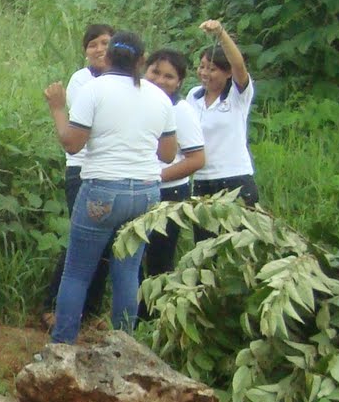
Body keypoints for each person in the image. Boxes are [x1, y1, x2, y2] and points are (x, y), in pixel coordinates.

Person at [43, 31, 178, 344]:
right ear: (142, 61)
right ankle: (125, 346)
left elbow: (72, 144)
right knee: (128, 272)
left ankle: (62, 345)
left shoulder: (94, 90)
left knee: (77, 271)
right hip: (146, 191)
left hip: (102, 190)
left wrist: (57, 108)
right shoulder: (159, 96)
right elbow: (168, 154)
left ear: (109, 57)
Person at [43, 24, 115, 324]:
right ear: (85, 51)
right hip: (83, 169)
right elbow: (82, 126)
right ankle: (53, 307)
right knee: (83, 239)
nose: (99, 49)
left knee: (108, 244)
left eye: (106, 43)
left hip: (110, 171)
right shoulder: (81, 80)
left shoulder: (122, 81)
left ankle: (90, 310)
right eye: (93, 45)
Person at [142, 49, 206, 284]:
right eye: (155, 72)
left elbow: (197, 159)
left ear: (179, 82)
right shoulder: (138, 103)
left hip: (169, 194)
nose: (159, 80)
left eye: (168, 77)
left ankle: (153, 317)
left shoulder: (181, 111)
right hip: (139, 190)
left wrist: (155, 177)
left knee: (159, 263)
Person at [189, 19, 260, 208]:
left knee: (238, 236)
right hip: (202, 179)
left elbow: (238, 64)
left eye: (212, 69)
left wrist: (220, 34)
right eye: (202, 66)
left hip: (235, 178)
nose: (204, 73)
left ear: (228, 73)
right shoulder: (193, 96)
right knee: (204, 236)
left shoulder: (238, 96)